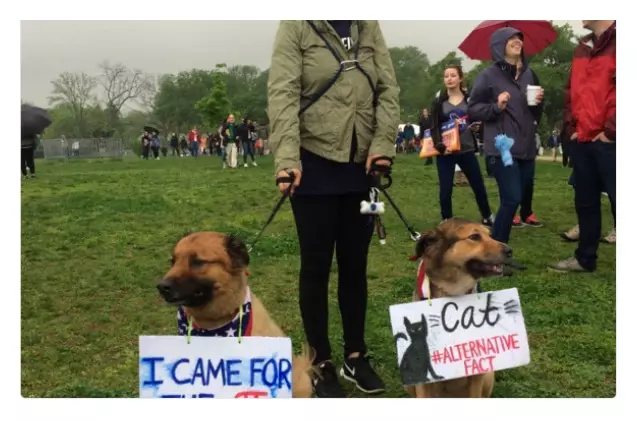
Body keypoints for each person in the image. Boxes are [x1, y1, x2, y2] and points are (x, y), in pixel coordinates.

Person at [268, 20, 399, 398]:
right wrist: (288, 158)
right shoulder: (296, 25)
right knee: (315, 266)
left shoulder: (367, 25)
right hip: (312, 164)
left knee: (356, 265)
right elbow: (283, 92)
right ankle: (320, 360)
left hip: (363, 166)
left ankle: (355, 356)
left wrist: (383, 144)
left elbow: (388, 88)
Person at [468, 27, 544, 251]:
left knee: (515, 199)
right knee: (511, 198)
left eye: (520, 38)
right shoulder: (488, 75)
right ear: (499, 45)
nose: (517, 41)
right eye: (511, 38)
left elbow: (534, 113)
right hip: (502, 148)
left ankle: (495, 244)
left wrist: (538, 102)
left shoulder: (530, 74)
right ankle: (496, 248)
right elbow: (473, 109)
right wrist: (495, 106)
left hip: (526, 146)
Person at [550, 21, 616, 273]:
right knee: (585, 202)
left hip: (612, 141)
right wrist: (572, 127)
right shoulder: (582, 48)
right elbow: (571, 91)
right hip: (584, 139)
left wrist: (611, 132)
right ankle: (584, 258)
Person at [430, 64, 493, 226]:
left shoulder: (469, 100)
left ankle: (487, 216)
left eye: (452, 75)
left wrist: (477, 127)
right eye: (446, 76)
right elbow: (433, 126)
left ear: (460, 78)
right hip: (446, 152)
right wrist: (440, 147)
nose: (449, 79)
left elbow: (477, 119)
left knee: (478, 185)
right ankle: (447, 221)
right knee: (445, 190)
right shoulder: (439, 102)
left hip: (466, 149)